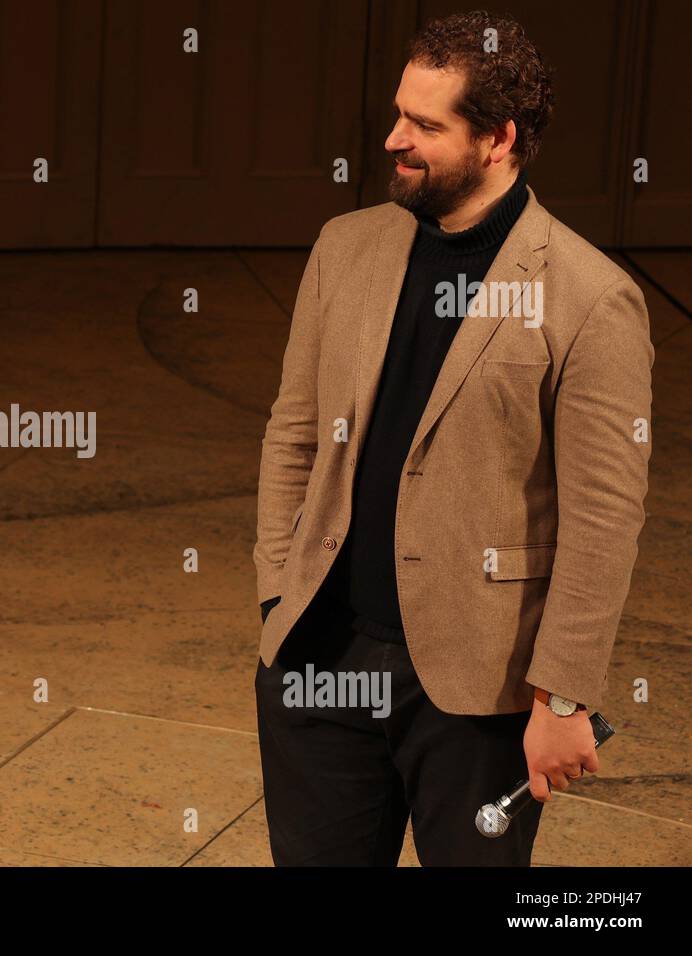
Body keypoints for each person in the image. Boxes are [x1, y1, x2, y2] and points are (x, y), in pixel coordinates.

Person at [252, 11, 652, 865]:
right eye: (399, 112)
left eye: (426, 125)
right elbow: (293, 432)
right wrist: (275, 594)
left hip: (481, 687)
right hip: (322, 659)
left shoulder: (590, 297)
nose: (394, 137)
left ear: (499, 139)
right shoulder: (344, 247)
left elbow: (602, 517)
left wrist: (565, 696)